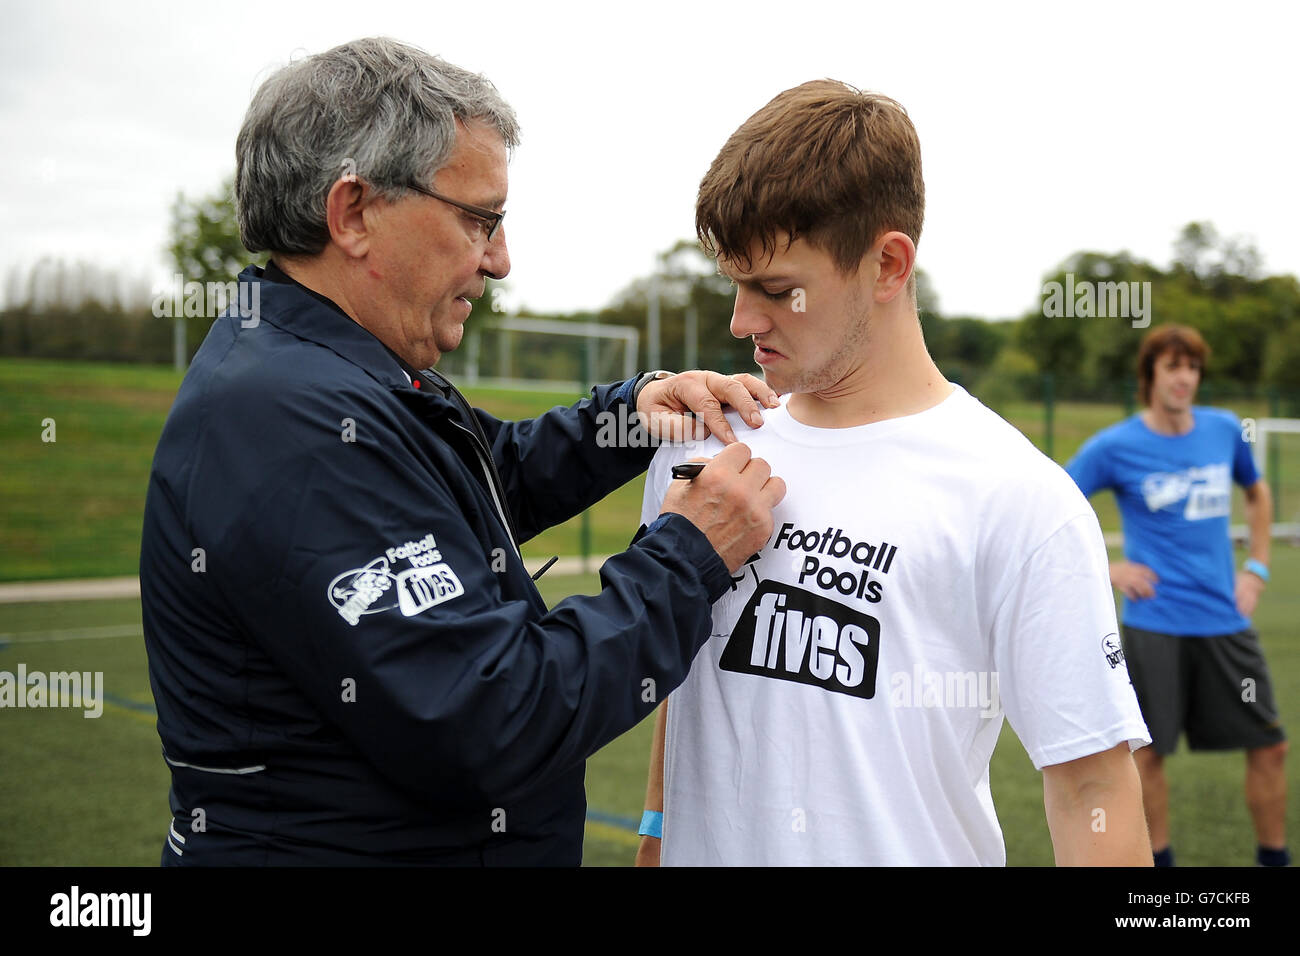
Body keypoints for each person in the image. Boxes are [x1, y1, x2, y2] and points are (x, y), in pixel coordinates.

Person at [139, 37, 787, 866]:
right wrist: (690, 555)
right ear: (355, 213)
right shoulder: (291, 422)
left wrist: (628, 414)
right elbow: (494, 716)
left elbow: (481, 476)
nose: (500, 260)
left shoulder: (336, 371)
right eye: (480, 220)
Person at [636, 80, 1152, 866]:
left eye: (778, 290)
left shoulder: (1018, 496)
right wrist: (653, 840)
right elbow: (683, 689)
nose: (742, 321)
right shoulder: (703, 445)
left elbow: (1091, 789)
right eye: (734, 286)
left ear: (887, 264)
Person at [1065, 324, 1289, 867]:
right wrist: (1110, 567)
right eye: (1172, 366)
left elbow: (1257, 494)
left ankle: (1274, 860)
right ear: (1151, 376)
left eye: (1191, 367)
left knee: (1271, 745)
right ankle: (1159, 872)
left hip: (1224, 622)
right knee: (1148, 758)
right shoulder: (1116, 446)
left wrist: (1255, 568)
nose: (1184, 377)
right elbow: (1057, 508)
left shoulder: (1224, 431)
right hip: (1154, 628)